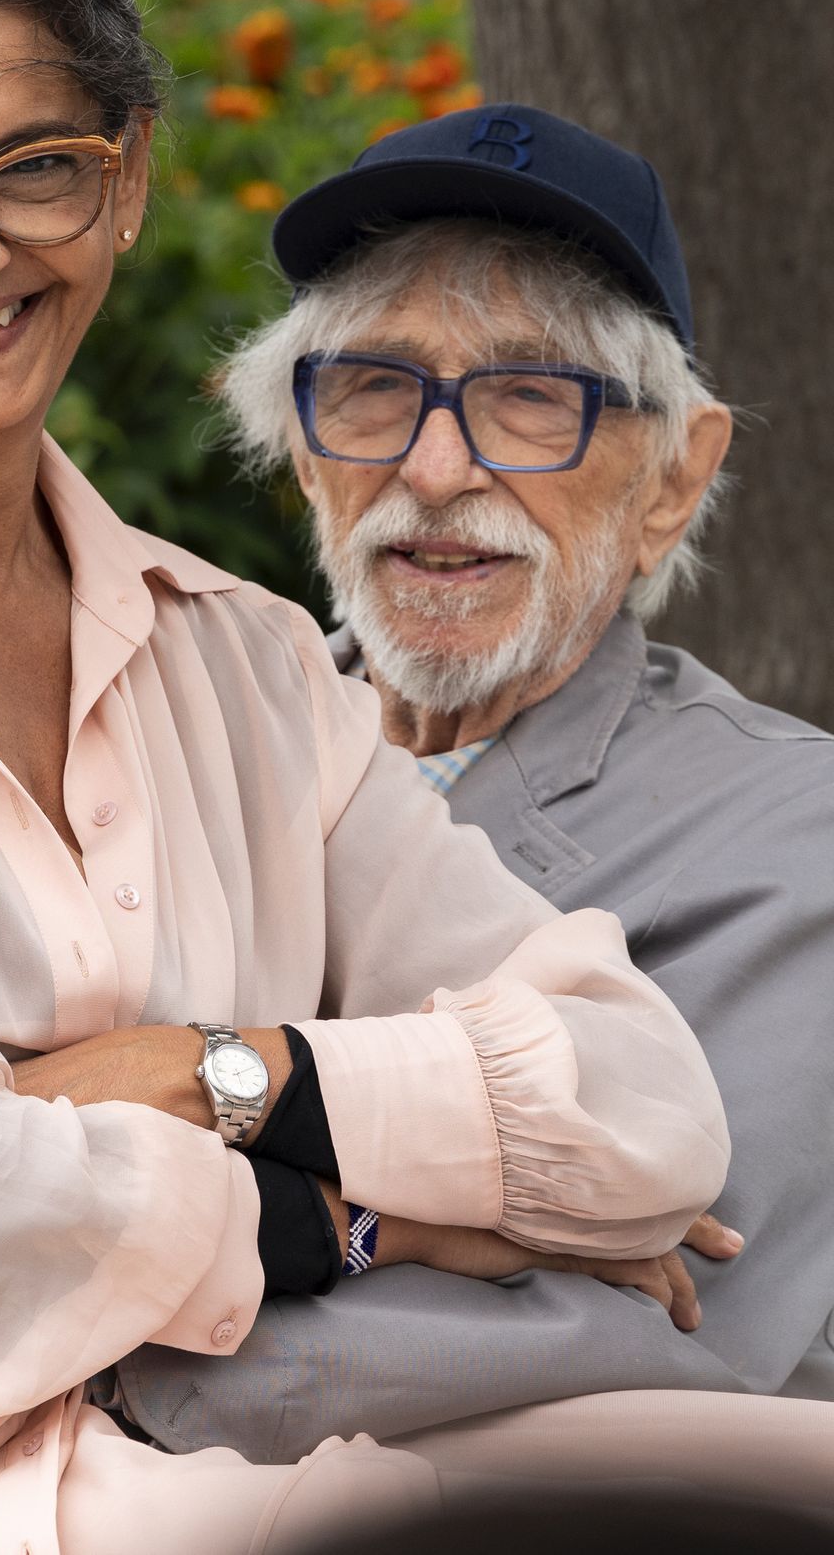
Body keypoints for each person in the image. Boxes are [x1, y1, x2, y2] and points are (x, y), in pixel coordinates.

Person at [0, 0, 819, 1555]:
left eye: (34, 170)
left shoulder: (237, 661)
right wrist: (367, 1220)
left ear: (122, 184)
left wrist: (177, 1075)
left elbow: (647, 1120)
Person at [105, 108, 834, 1463]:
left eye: (531, 397)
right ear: (306, 448)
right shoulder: (154, 740)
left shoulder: (802, 848)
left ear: (673, 479)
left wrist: (66, 1345)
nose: (438, 471)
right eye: (376, 387)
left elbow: (642, 1337)